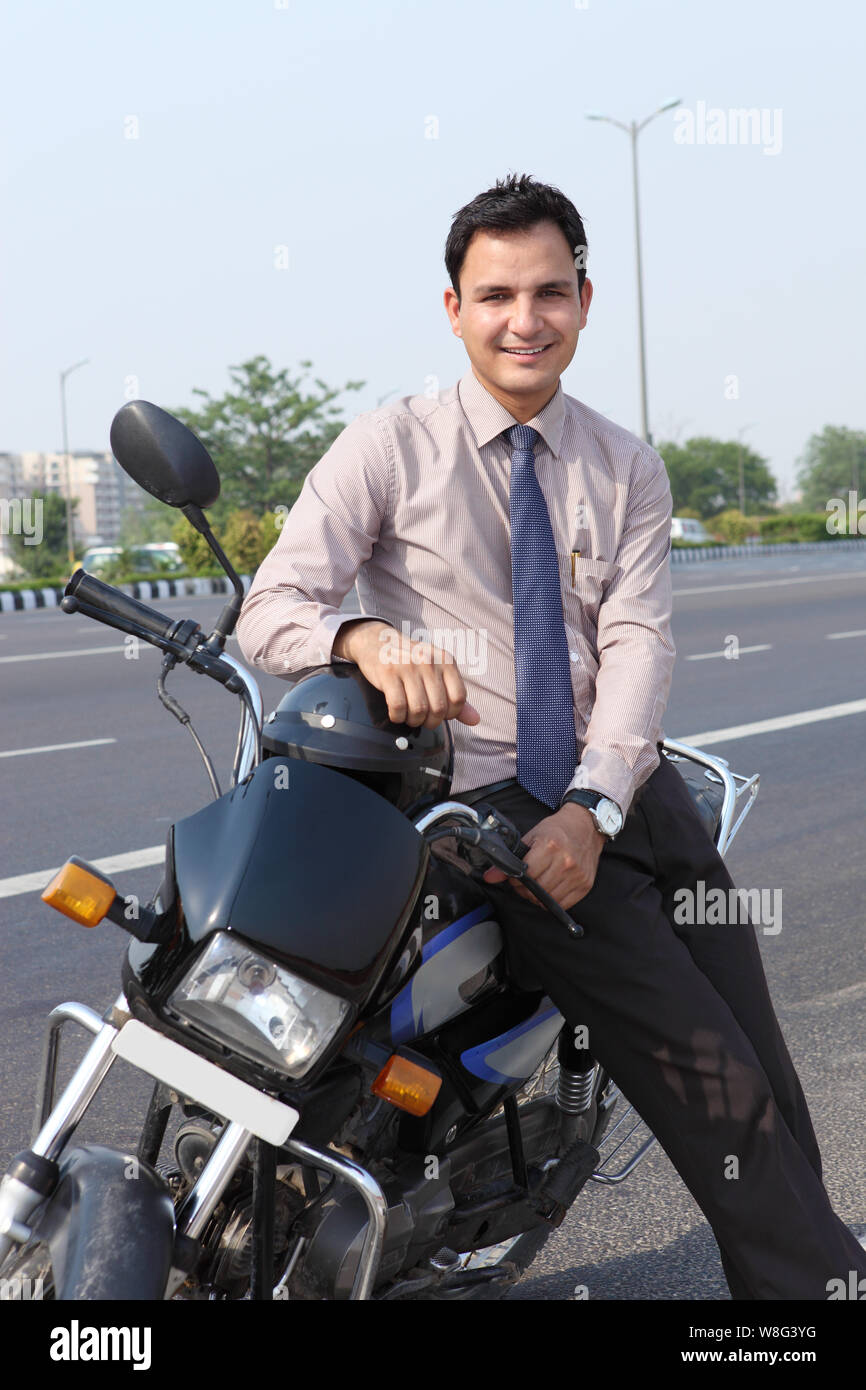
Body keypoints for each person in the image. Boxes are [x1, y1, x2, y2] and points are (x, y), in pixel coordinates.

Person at [236, 172, 866, 1300]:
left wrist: (601, 803)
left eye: (545, 293)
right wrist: (368, 641)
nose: (520, 320)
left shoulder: (622, 464)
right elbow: (271, 608)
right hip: (491, 818)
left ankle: (810, 1274)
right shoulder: (386, 448)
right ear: (452, 311)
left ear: (582, 299)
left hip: (625, 796)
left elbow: (635, 644)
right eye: (493, 296)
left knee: (765, 1072)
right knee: (712, 1082)